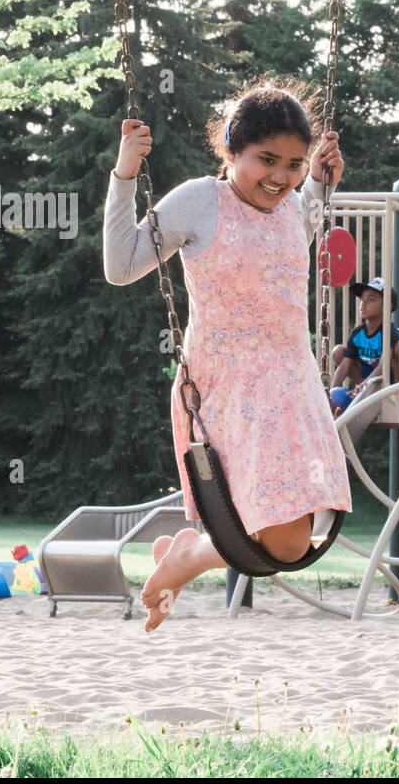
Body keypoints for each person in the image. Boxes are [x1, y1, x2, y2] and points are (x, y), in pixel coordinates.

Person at [102, 75, 352, 632]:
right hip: (230, 389)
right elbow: (120, 267)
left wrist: (314, 184)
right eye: (267, 160)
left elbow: (291, 241)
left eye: (293, 163)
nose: (280, 177)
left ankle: (188, 554)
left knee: (293, 538)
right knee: (285, 543)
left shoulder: (291, 205)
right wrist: (125, 175)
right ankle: (188, 558)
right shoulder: (200, 202)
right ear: (231, 149)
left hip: (292, 388)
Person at [328, 276, 399, 416]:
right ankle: (366, 392)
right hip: (370, 377)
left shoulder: (389, 331)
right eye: (362, 299)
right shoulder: (357, 333)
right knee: (339, 352)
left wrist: (367, 385)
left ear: (387, 305)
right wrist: (331, 394)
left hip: (394, 375)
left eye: (371, 299)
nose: (363, 304)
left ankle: (396, 393)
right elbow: (344, 366)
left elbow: (384, 364)